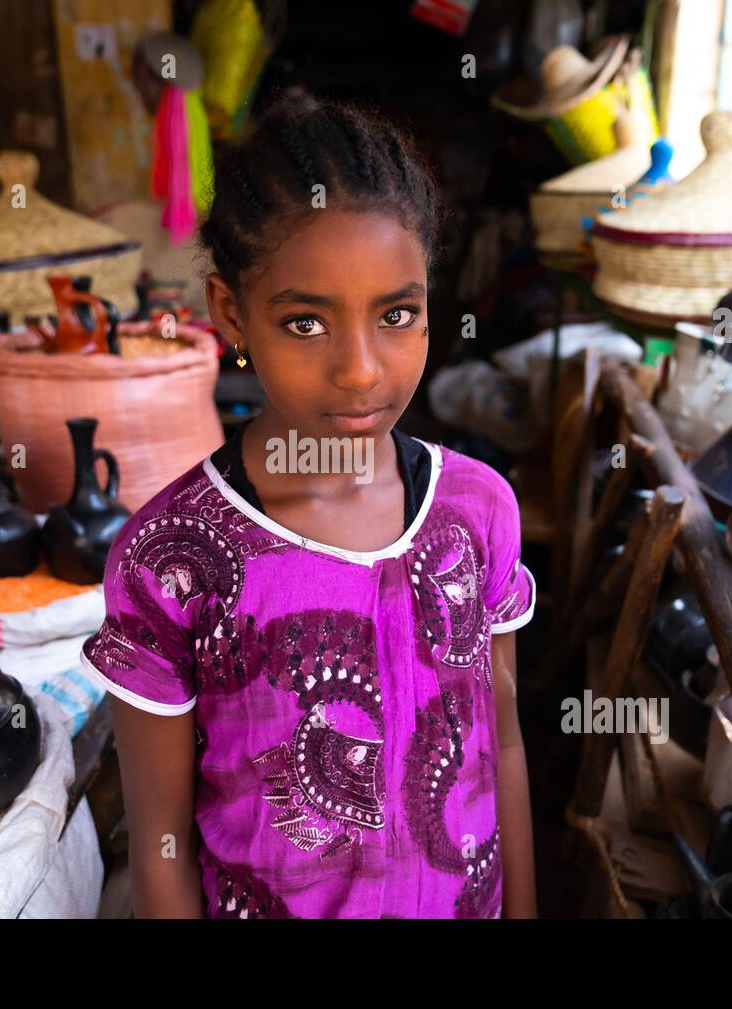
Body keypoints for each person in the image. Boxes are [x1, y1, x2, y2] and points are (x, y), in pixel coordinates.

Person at [80, 93, 537, 918]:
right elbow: (159, 840)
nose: (361, 369)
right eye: (305, 323)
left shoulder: (477, 512)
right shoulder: (175, 558)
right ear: (231, 314)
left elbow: (500, 743)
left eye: (398, 313)